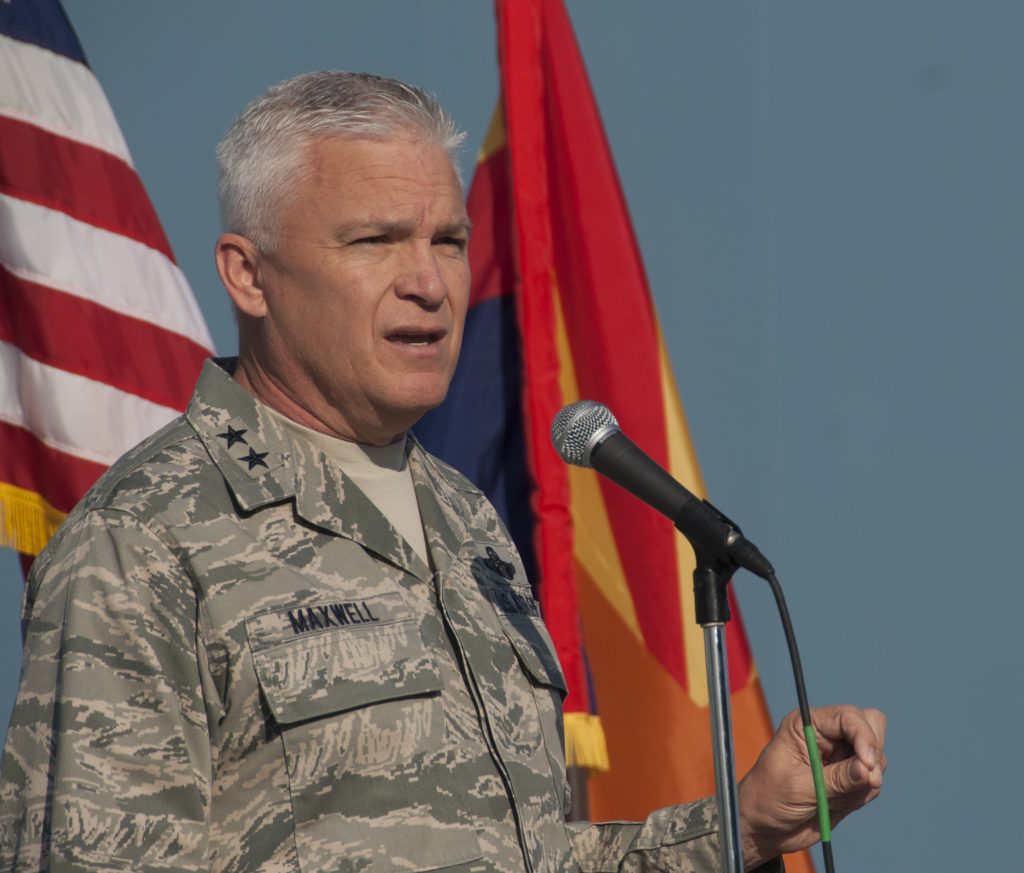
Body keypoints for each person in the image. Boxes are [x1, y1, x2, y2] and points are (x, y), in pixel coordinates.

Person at [0, 71, 885, 872]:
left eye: (449, 240)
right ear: (249, 275)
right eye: (375, 240)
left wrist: (744, 822)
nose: (428, 281)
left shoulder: (461, 517)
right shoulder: (144, 538)